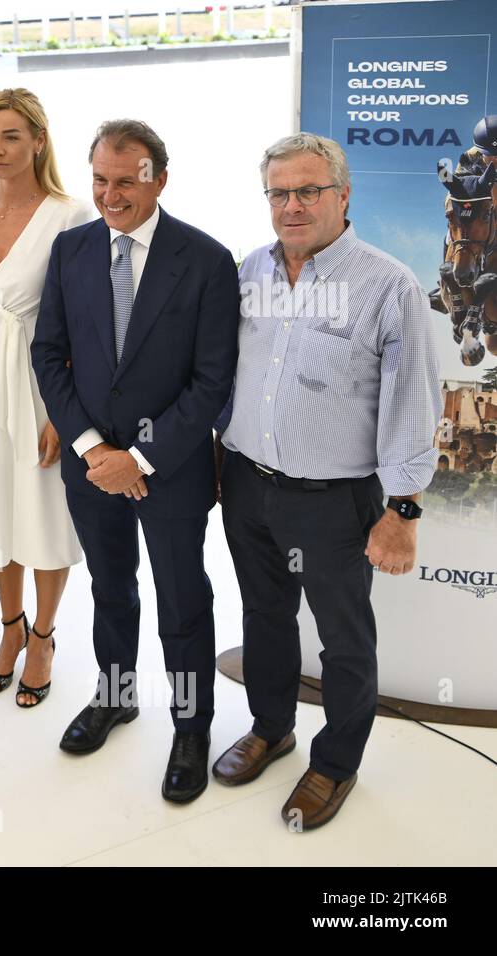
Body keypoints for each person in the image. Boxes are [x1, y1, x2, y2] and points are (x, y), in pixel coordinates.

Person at [214, 132, 441, 830]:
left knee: (344, 641)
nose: (292, 205)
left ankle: (335, 762)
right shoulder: (248, 271)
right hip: (247, 485)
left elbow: (412, 402)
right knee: (264, 616)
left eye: (308, 190)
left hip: (333, 502)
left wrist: (402, 509)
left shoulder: (387, 285)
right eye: (278, 193)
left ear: (344, 195)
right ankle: (272, 726)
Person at [31, 120, 238, 803]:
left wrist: (141, 458)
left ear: (159, 179)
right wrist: (93, 449)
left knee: (182, 600)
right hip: (91, 469)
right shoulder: (70, 251)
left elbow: (212, 382)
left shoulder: (206, 260)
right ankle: (116, 697)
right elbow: (48, 355)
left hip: (169, 470)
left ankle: (190, 726)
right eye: (99, 180)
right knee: (111, 590)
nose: (111, 194)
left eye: (126, 180)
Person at [0, 88, 91, 708]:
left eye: (11, 136)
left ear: (39, 139)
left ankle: (43, 635)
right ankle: (8, 627)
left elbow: (89, 323)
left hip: (41, 381)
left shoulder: (71, 214)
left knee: (43, 512)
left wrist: (68, 412)